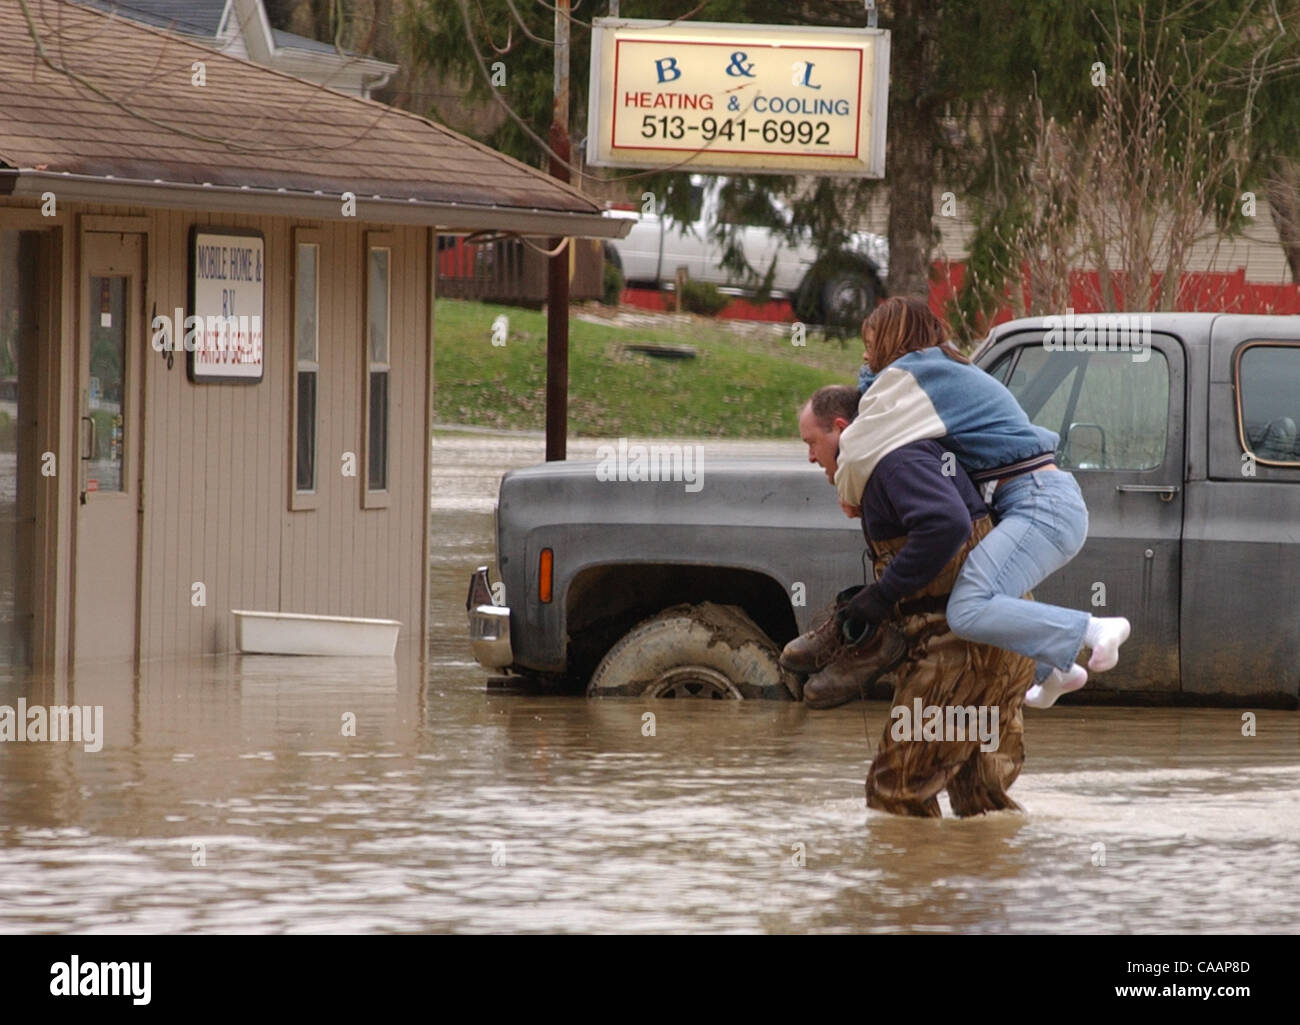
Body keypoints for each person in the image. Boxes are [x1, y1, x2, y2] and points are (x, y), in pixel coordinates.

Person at [836, 297, 1130, 708]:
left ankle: (1094, 628)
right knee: (996, 602)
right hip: (1044, 501)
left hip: (1039, 503)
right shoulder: (937, 372)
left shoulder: (918, 372)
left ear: (893, 339)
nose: (865, 355)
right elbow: (876, 403)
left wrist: (848, 492)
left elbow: (864, 435)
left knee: (969, 610)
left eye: (870, 342)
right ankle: (1055, 669)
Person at [794, 385, 1033, 816]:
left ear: (842, 429)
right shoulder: (904, 455)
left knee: (895, 792)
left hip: (962, 654)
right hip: (1002, 648)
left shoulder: (895, 461)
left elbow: (946, 524)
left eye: (812, 443)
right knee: (981, 800)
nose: (810, 457)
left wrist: (881, 597)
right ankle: (987, 881)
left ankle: (909, 882)